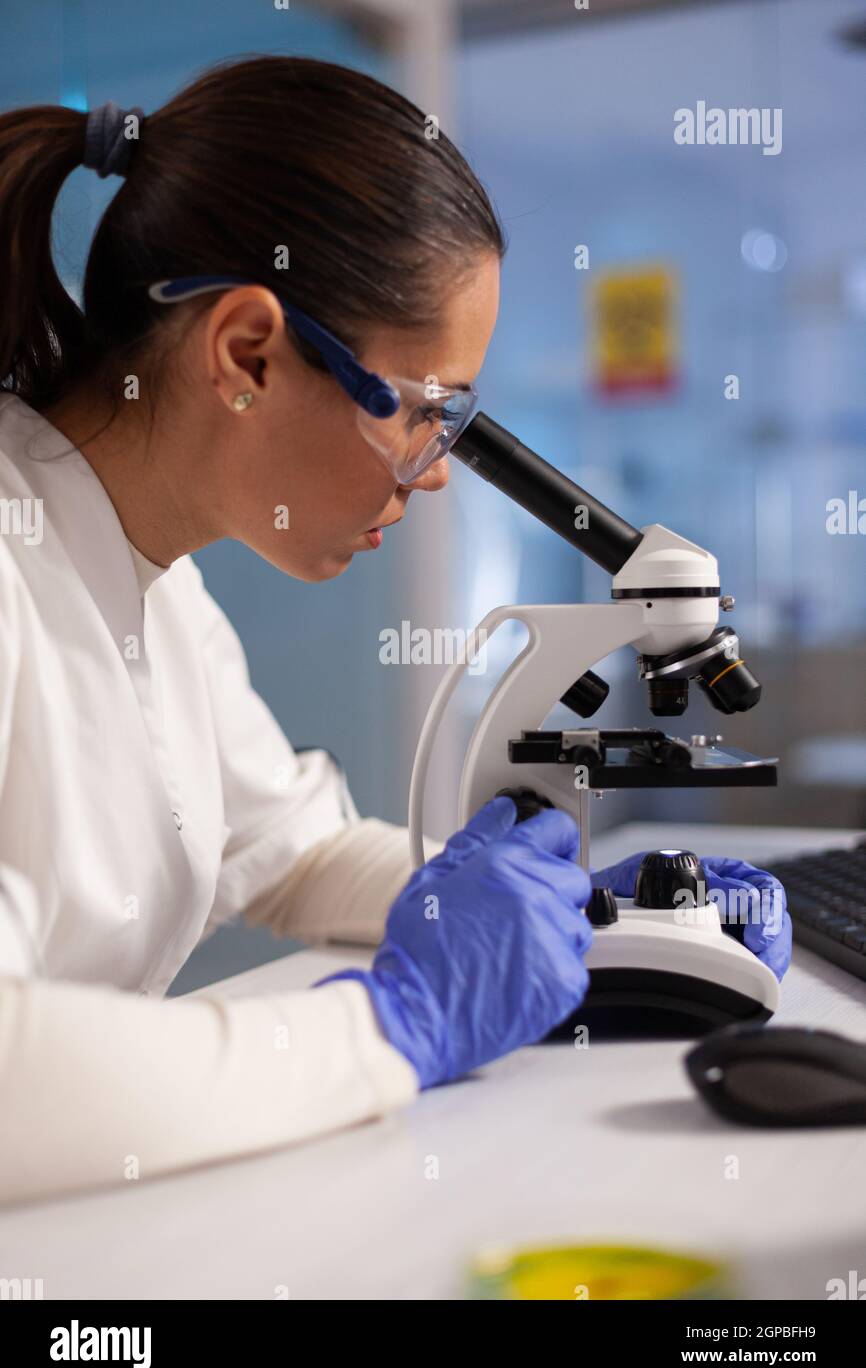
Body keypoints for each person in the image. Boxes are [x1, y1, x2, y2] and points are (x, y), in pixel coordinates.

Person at [0, 56, 790, 1205]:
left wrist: (592, 920)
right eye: (424, 416)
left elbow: (292, 848)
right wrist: (390, 1027)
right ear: (247, 354)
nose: (432, 479)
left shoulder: (153, 584)